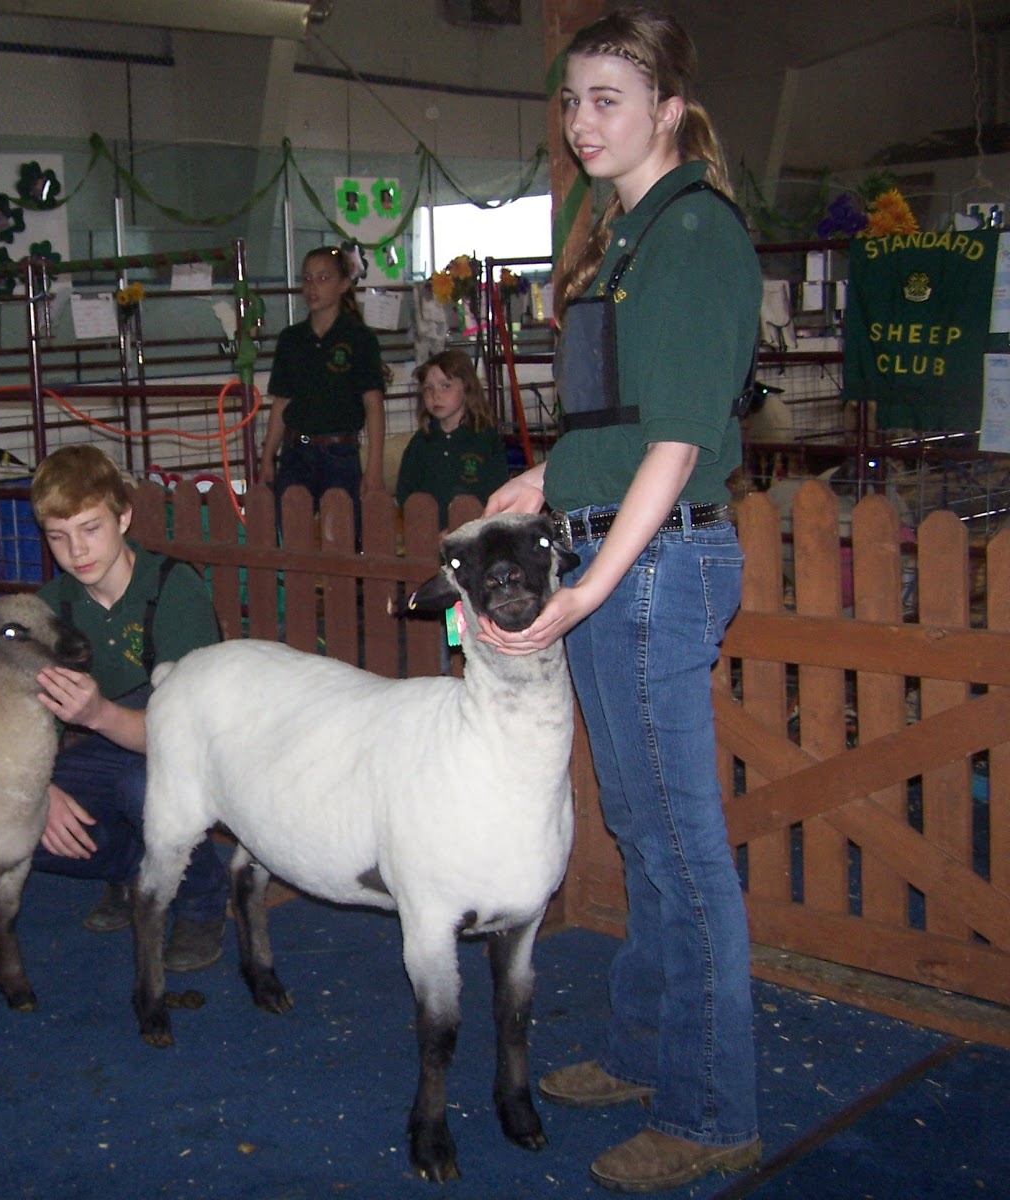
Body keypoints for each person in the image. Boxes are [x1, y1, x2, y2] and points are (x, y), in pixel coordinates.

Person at [476, 8, 763, 1193]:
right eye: (573, 100)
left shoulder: (692, 235)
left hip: (651, 564)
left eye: (608, 98)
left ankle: (711, 1112)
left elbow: (684, 442)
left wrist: (590, 584)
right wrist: (539, 479)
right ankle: (652, 1051)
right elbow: (618, 424)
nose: (583, 121)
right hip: (617, 550)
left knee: (682, 846)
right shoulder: (623, 237)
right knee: (645, 833)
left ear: (668, 109)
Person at [29, 445, 229, 972]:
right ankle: (136, 866)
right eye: (58, 536)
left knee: (143, 789)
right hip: (101, 743)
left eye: (91, 528)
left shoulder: (172, 589)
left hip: (182, 746)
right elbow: (31, 722)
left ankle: (204, 900)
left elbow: (182, 738)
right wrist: (39, 789)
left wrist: (97, 715)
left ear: (124, 517)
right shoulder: (51, 607)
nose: (76, 550)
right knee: (18, 816)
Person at [257, 245, 387, 521]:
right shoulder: (291, 339)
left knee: (342, 537)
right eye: (306, 278)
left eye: (323, 278)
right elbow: (282, 402)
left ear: (343, 284)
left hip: (339, 453)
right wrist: (268, 456)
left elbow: (373, 405)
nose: (312, 286)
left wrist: (374, 466)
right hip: (295, 453)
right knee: (288, 534)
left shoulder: (359, 338)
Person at [395, 350, 510, 527]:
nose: (436, 395)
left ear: (466, 388)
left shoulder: (486, 440)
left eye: (445, 386)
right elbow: (406, 494)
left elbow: (498, 492)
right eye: (428, 388)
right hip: (427, 540)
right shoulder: (420, 443)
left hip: (473, 538)